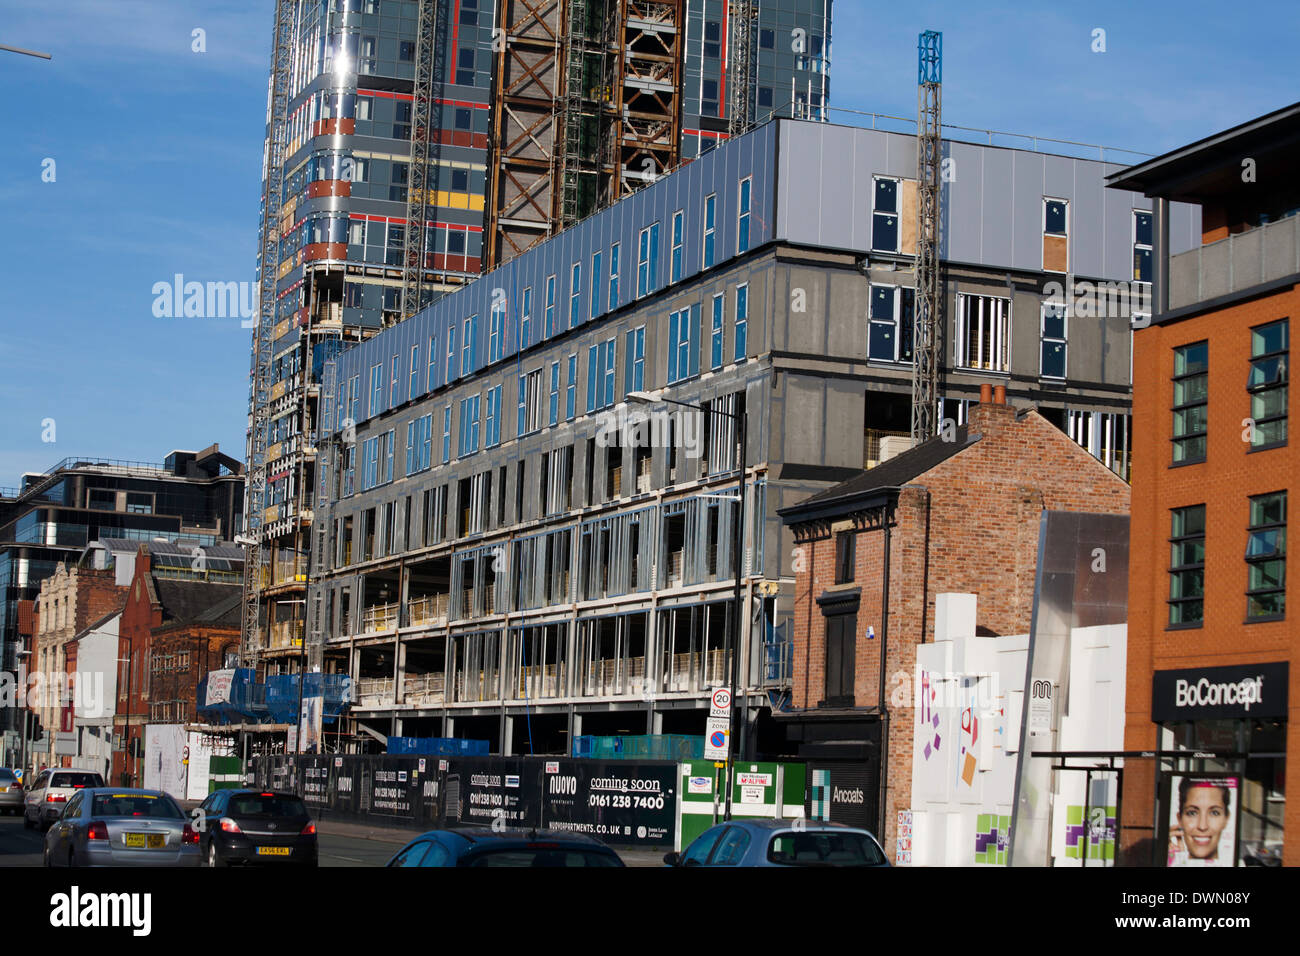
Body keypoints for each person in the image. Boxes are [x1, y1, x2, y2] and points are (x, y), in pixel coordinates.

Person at [1170, 778, 1231, 864]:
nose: (1202, 826)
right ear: (1179, 819)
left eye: (1214, 813)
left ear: (1226, 819)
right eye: (1192, 813)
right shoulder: (1173, 862)